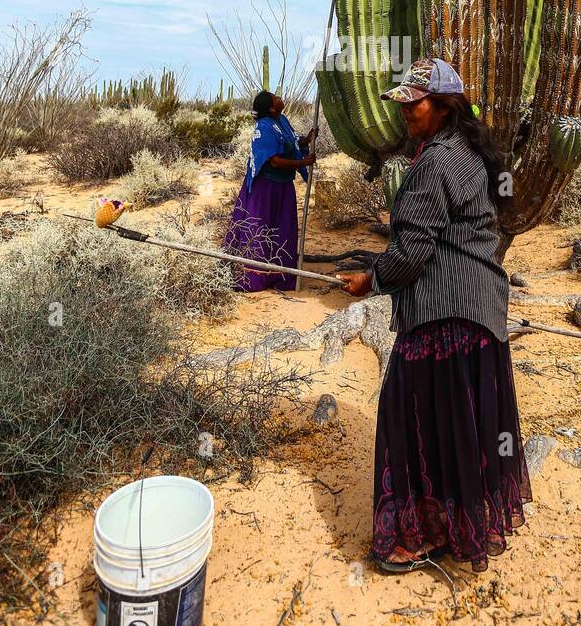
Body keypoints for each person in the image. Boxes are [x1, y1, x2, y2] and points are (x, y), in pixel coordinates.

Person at [338, 57, 531, 573]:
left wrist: (371, 281)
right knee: (460, 426)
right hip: (480, 313)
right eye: (401, 100)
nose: (404, 110)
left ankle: (417, 538)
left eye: (414, 101)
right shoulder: (472, 153)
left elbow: (411, 253)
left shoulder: (435, 164)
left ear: (444, 106)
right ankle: (454, 527)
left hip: (444, 317)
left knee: (412, 424)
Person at [224, 90, 316, 291]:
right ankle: (255, 276)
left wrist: (306, 141)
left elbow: (290, 141)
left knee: (282, 228)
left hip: (283, 186)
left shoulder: (281, 119)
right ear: (272, 107)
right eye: (276, 98)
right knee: (260, 228)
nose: (280, 98)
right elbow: (274, 161)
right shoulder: (264, 127)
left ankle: (280, 274)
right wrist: (303, 162)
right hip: (264, 188)